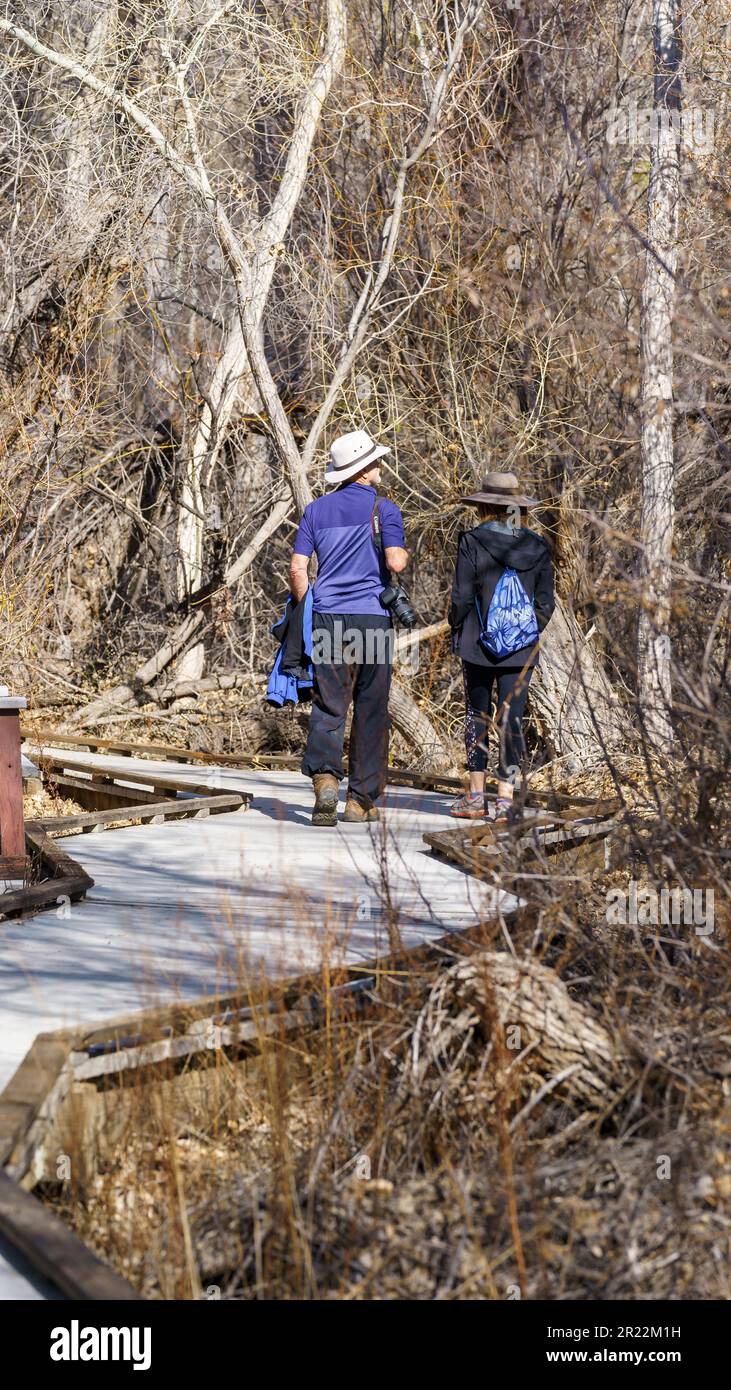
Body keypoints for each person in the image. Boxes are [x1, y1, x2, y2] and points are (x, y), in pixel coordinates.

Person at [290, 429, 409, 826]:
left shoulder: (315, 511)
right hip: (372, 620)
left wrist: (308, 606)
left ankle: (325, 778)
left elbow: (298, 568)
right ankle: (360, 800)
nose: (379, 466)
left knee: (330, 703)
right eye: (375, 461)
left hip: (328, 619)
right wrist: (401, 553)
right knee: (371, 708)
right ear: (364, 469)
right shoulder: (385, 509)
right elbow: (394, 563)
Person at [448, 470, 555, 825]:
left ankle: (475, 797)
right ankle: (505, 802)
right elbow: (546, 602)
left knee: (476, 714)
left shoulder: (472, 542)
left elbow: (461, 596)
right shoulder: (538, 547)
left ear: (483, 507)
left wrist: (456, 627)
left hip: (476, 643)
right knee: (512, 719)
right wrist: (525, 630)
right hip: (520, 651)